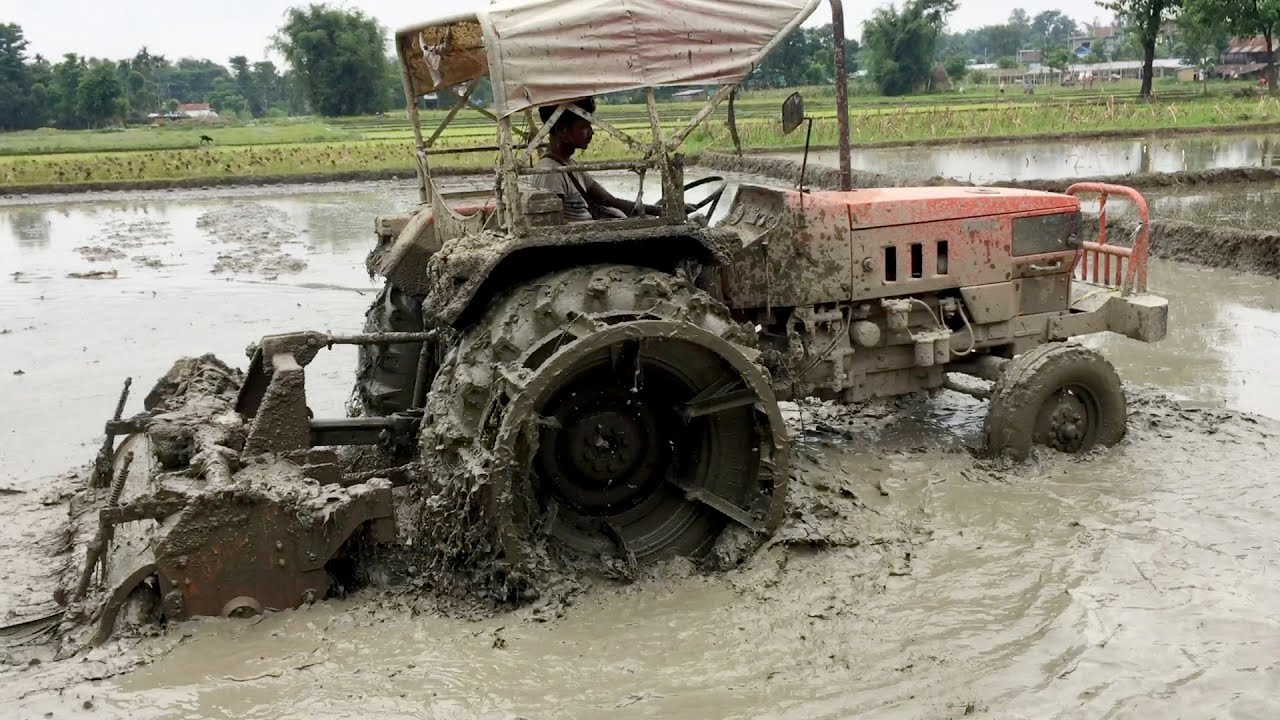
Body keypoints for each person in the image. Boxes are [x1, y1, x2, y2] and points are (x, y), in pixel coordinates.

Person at [529, 97, 668, 222]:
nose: (591, 132)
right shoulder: (551, 172)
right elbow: (555, 225)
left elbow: (608, 200)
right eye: (584, 126)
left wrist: (659, 210)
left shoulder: (570, 165)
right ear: (562, 131)